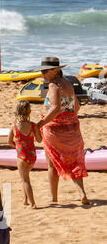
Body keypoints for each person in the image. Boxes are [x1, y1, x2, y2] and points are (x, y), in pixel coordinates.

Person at [36, 57, 89, 205]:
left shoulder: (53, 86)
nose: (42, 74)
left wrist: (40, 123)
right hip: (73, 128)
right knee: (75, 161)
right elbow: (76, 106)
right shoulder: (68, 83)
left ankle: (53, 198)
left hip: (54, 130)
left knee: (52, 164)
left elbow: (55, 109)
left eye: (45, 71)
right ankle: (82, 193)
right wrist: (68, 119)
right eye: (41, 71)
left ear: (55, 70)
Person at [8, 100, 42, 209]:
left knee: (25, 180)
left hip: (21, 156)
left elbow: (9, 141)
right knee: (25, 176)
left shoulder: (14, 126)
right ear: (29, 112)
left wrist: (17, 146)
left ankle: (32, 203)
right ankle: (25, 199)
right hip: (32, 155)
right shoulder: (33, 126)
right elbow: (39, 140)